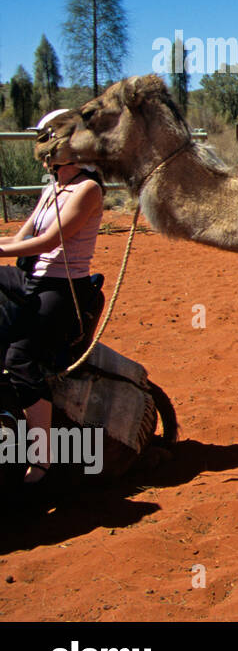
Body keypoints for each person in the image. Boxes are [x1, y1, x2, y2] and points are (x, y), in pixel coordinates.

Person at [0, 110, 104, 484]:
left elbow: (49, 241)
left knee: (20, 356)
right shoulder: (52, 187)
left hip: (61, 288)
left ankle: (41, 458)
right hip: (29, 278)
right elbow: (20, 239)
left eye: (49, 138)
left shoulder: (87, 188)